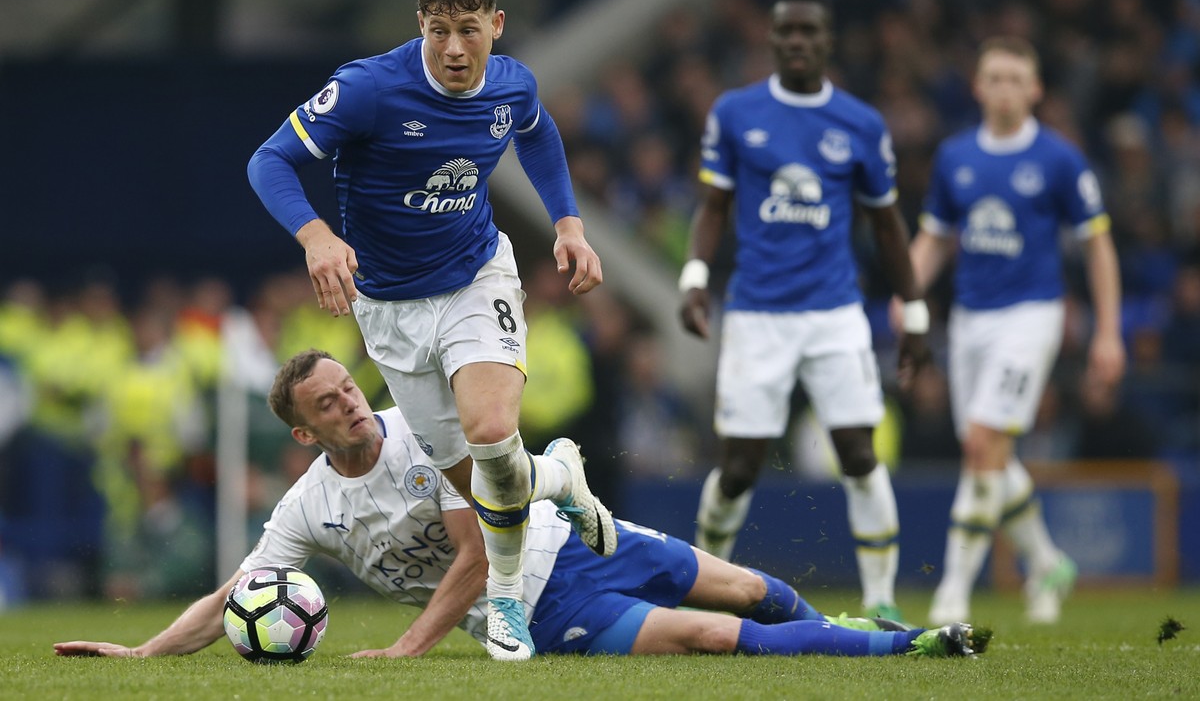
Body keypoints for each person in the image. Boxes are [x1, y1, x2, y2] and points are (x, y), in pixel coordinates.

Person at [54, 350, 986, 660]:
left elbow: (468, 551)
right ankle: (907, 648)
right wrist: (141, 652)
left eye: (348, 386)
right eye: (327, 404)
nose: (348, 402)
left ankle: (842, 635)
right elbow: (235, 593)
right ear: (305, 434)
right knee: (706, 639)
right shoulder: (310, 508)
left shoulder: (419, 432)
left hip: (569, 533)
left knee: (745, 587)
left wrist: (409, 646)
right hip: (544, 602)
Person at [245, 0, 613, 660]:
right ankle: (562, 474)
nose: (452, 48)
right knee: (487, 479)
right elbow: (269, 160)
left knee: (490, 428)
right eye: (439, 29)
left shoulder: (511, 86)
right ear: (420, 24)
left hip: (476, 278)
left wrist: (568, 223)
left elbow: (535, 132)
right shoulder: (368, 90)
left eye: (469, 29)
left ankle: (506, 605)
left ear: (496, 26)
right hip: (388, 310)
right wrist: (317, 238)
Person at [678, 0, 929, 622]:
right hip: (757, 313)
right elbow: (714, 208)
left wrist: (916, 310)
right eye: (785, 32)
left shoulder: (861, 124)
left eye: (808, 32)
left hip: (834, 313)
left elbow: (888, 225)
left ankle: (880, 600)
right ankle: (703, 583)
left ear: (827, 41)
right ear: (771, 40)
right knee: (738, 467)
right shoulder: (735, 113)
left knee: (860, 454)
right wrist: (695, 276)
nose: (796, 42)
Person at [907, 36, 1125, 625]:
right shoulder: (955, 157)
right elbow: (935, 237)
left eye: (1015, 79)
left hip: (1032, 316)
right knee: (992, 456)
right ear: (978, 87)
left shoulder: (1059, 159)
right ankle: (1049, 561)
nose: (1004, 88)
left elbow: (1098, 246)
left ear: (1035, 89)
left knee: (982, 443)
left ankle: (952, 593)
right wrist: (908, 292)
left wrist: (1108, 331)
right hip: (970, 320)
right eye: (994, 78)